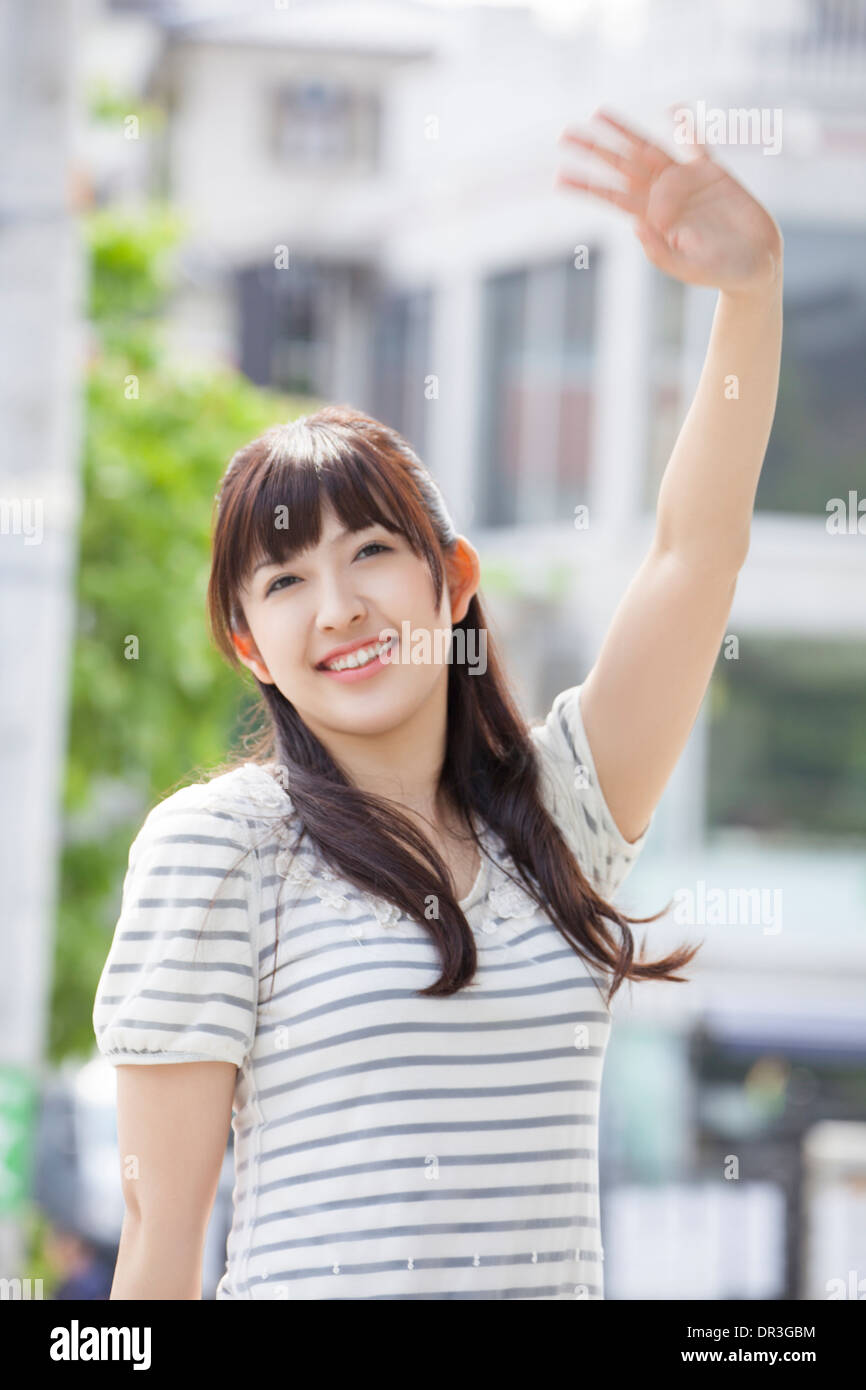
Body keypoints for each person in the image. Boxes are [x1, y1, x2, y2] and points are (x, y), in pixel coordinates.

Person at [92, 108, 783, 1300]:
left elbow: (692, 553)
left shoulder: (560, 806)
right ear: (245, 642)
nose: (339, 607)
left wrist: (750, 293)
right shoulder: (220, 847)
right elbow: (160, 1251)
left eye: (370, 551)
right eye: (286, 579)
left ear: (451, 581)